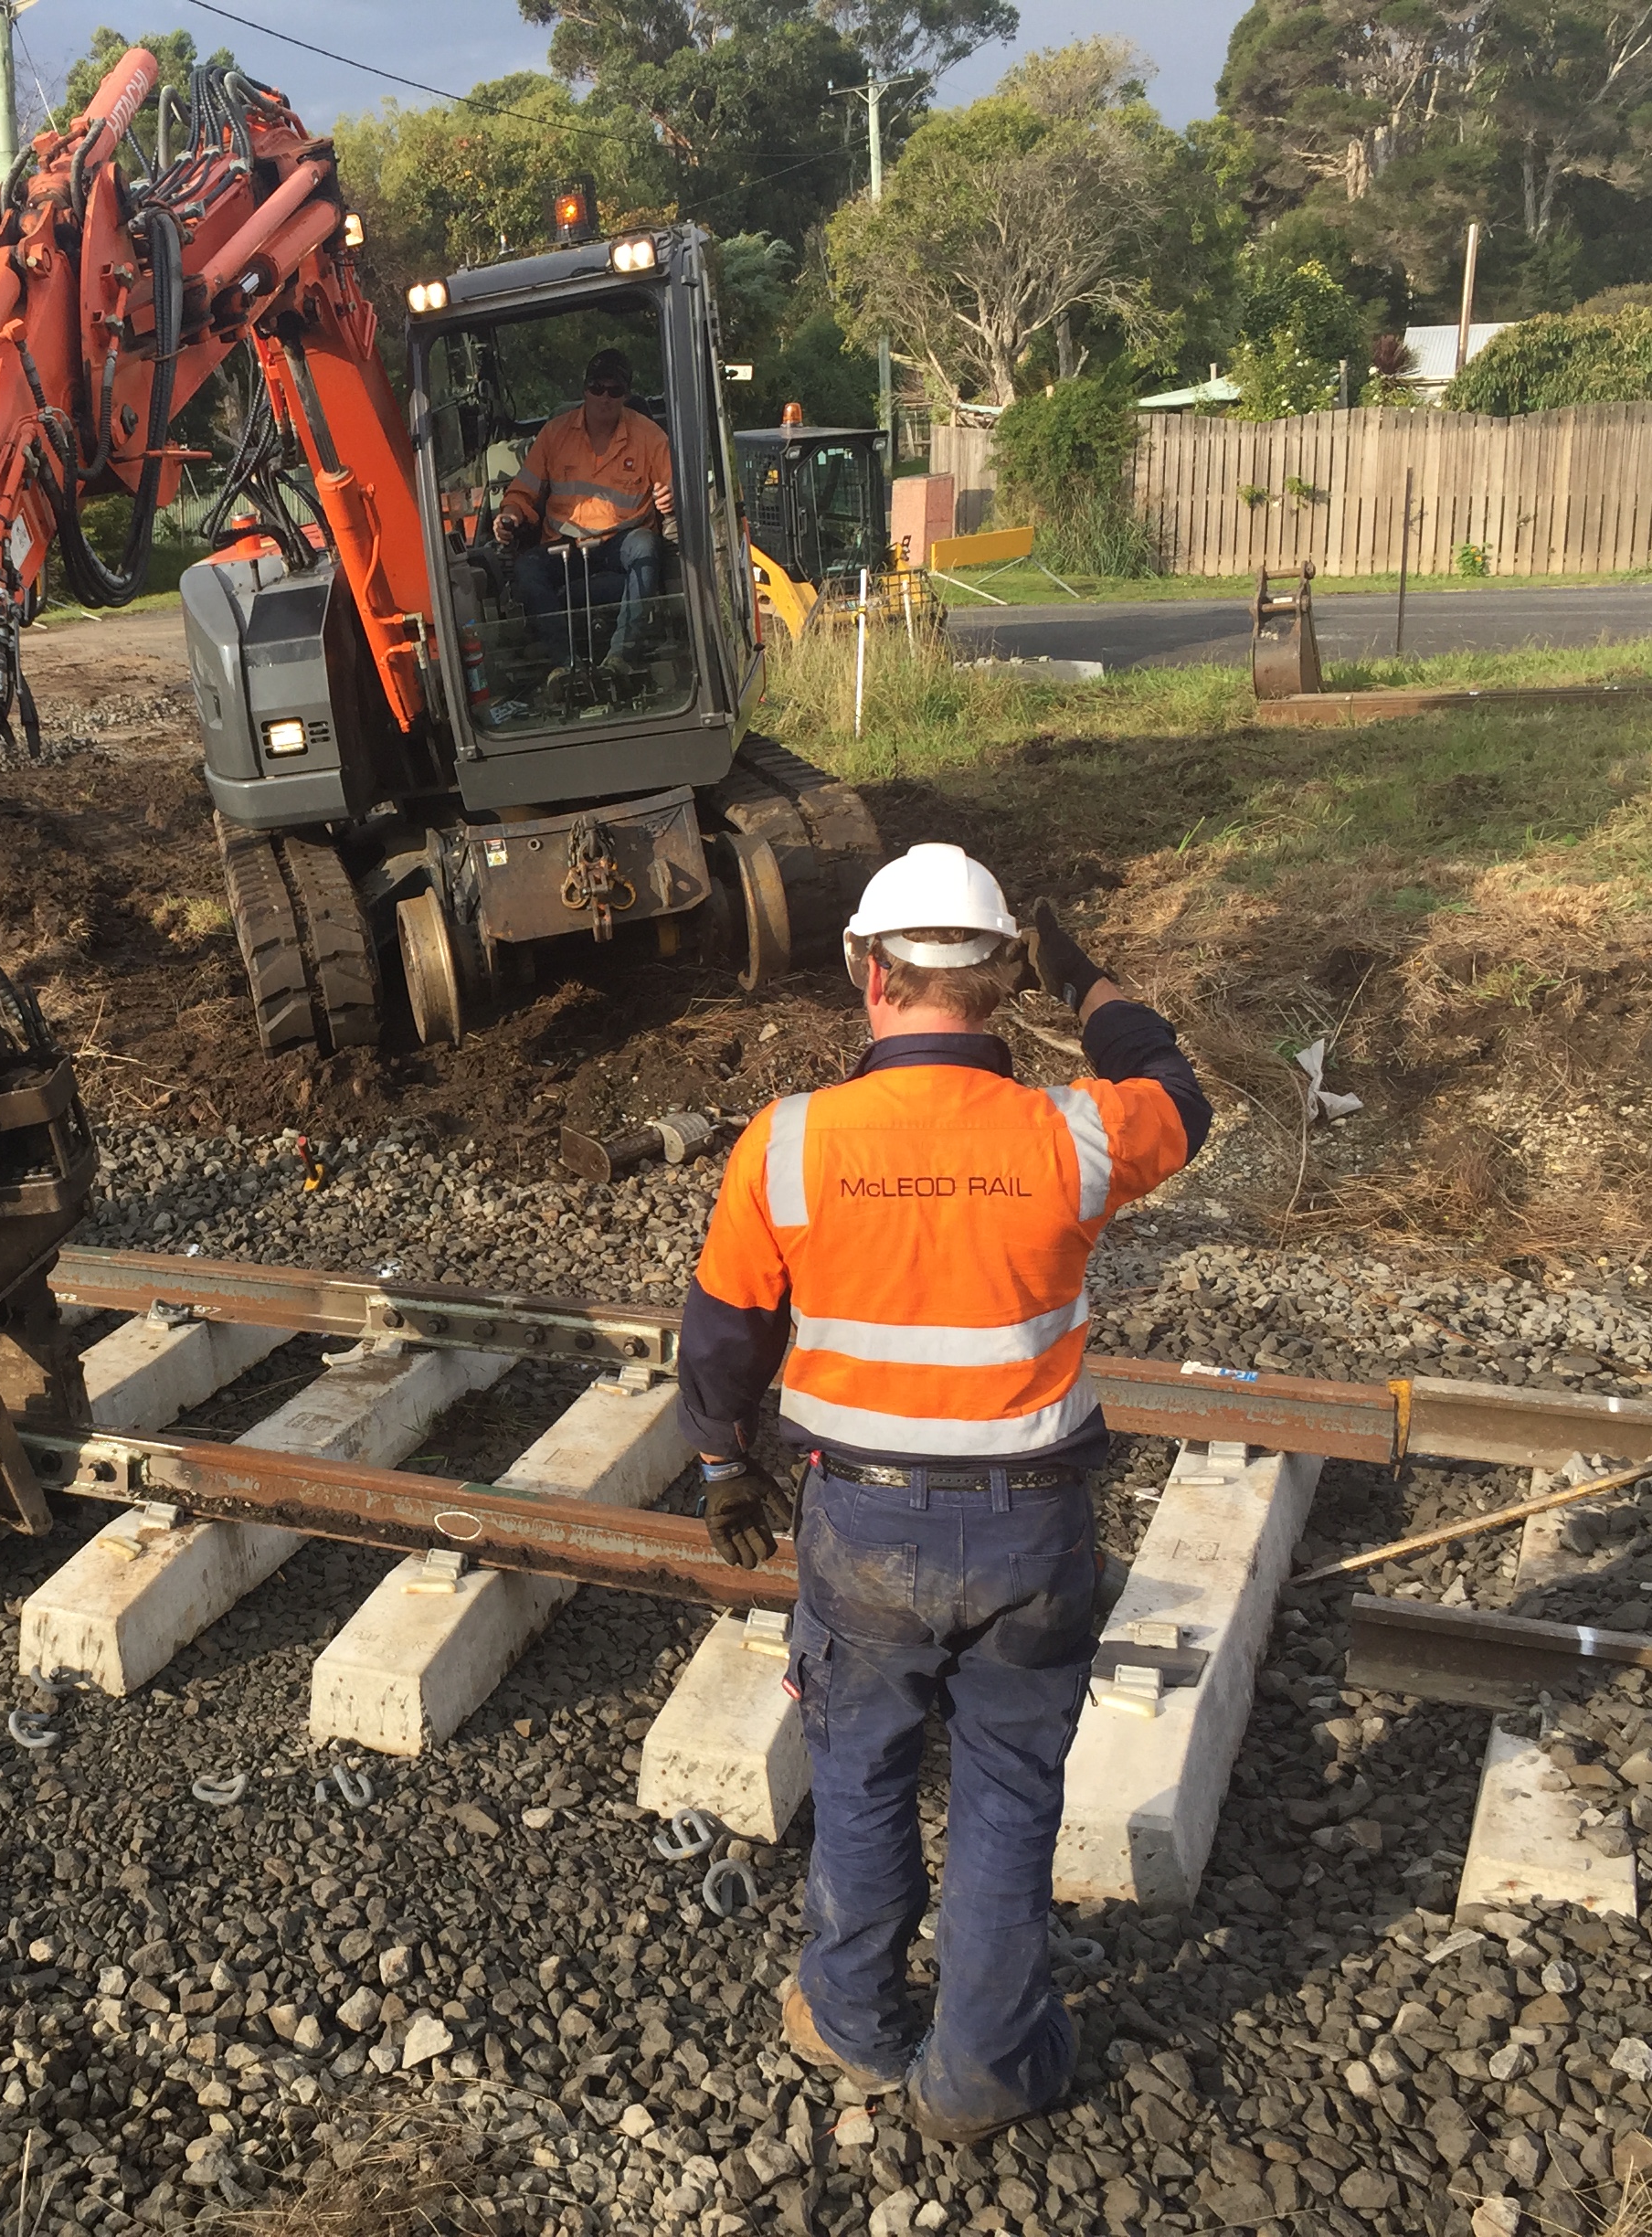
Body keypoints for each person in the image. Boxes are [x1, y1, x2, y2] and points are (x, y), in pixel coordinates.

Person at [679, 843, 1209, 2143]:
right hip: (1032, 1529)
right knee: (1009, 1794)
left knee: (859, 1772)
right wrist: (1086, 982)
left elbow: (723, 1334)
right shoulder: (1078, 1135)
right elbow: (1175, 1087)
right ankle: (981, 2072)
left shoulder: (789, 1144)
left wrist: (722, 1465)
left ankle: (853, 2022)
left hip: (861, 1526)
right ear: (1002, 980)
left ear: (870, 973)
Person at [494, 347, 675, 673]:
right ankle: (565, 666)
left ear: (626, 395)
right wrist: (510, 514)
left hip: (622, 542)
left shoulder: (650, 437)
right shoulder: (554, 435)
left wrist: (671, 497)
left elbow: (674, 485)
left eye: (614, 390)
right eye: (597, 388)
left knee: (646, 546)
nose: (604, 397)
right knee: (527, 568)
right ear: (584, 390)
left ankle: (620, 658)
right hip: (565, 546)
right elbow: (522, 492)